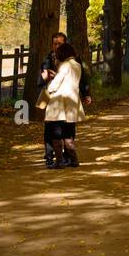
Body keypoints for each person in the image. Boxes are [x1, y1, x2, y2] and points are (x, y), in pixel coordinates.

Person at [39, 32, 91, 166]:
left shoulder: (65, 65)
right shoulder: (74, 64)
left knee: (56, 133)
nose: (56, 47)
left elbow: (57, 83)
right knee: (66, 134)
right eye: (54, 44)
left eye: (60, 44)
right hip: (72, 103)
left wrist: (49, 89)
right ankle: (71, 160)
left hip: (59, 103)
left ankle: (61, 160)